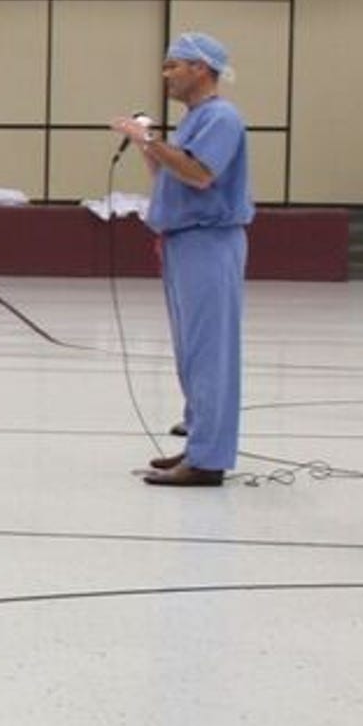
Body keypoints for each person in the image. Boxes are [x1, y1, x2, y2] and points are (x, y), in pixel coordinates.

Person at [121, 31, 252, 488]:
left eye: (172, 66)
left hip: (209, 242)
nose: (166, 76)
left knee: (209, 349)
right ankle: (199, 439)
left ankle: (209, 459)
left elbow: (198, 174)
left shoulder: (221, 118)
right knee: (190, 352)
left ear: (201, 68)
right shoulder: (193, 121)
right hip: (182, 242)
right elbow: (171, 173)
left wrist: (152, 141)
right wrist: (147, 146)